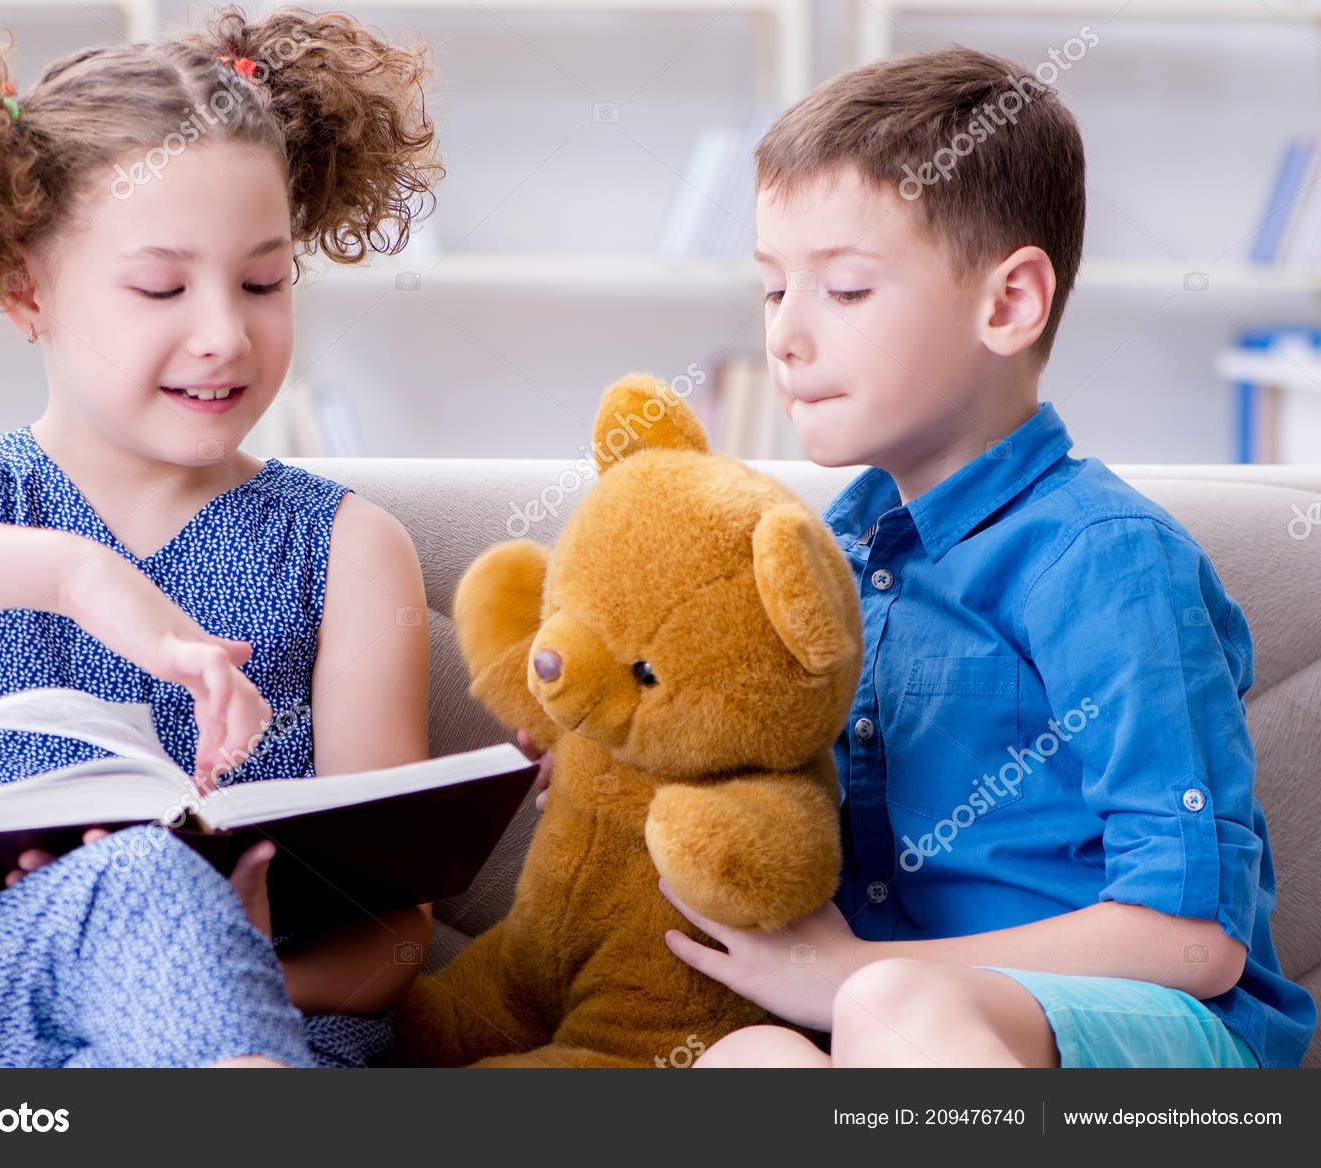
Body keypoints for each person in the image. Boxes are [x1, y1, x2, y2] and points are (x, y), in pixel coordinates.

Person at [553, 46, 1315, 1068]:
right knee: (745, 1060)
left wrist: (850, 974)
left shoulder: (1106, 560)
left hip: (1156, 1030)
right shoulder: (824, 557)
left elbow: (1194, 941)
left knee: (892, 1010)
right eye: (774, 289)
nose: (784, 335)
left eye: (847, 290)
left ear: (1007, 304)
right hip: (905, 1033)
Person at [0, 4, 443, 1068]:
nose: (224, 332)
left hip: (270, 1028)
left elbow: (389, 932)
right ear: (26, 287)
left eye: (263, 281)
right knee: (137, 876)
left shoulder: (345, 549)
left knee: (160, 913)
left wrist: (207, 955)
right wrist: (72, 572)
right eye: (161, 285)